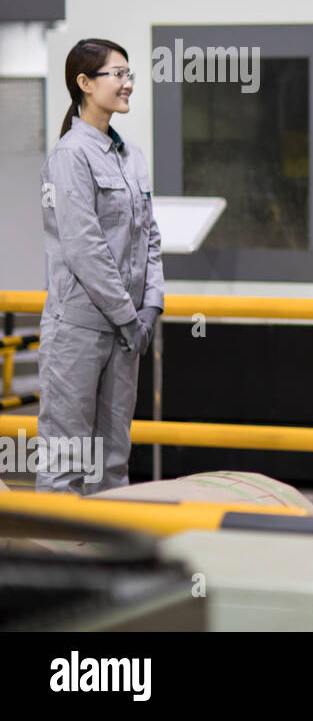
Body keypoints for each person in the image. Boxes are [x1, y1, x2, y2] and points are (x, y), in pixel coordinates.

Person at [37, 39, 164, 494]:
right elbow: (83, 247)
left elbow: (150, 236)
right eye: (118, 74)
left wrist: (150, 308)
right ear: (85, 83)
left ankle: (107, 562)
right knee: (68, 459)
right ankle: (58, 564)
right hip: (80, 329)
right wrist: (128, 316)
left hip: (127, 330)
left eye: (129, 74)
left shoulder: (131, 156)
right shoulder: (70, 155)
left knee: (111, 461)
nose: (128, 83)